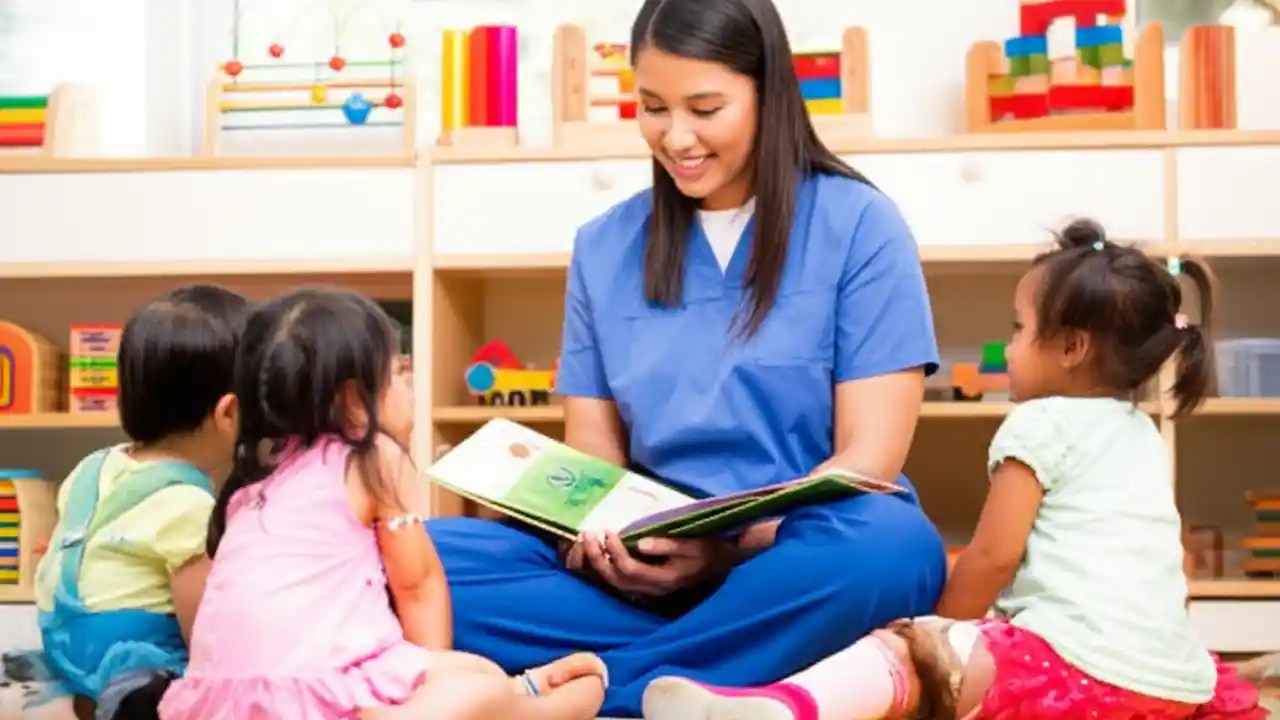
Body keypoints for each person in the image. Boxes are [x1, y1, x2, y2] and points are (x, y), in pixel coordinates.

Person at [424, 0, 946, 715]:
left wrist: (727, 552)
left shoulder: (861, 225)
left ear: (768, 90)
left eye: (705, 108)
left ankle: (603, 687)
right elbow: (593, 463)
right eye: (652, 106)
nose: (676, 137)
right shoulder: (604, 245)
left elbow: (869, 460)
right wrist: (607, 540)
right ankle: (721, 676)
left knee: (891, 547)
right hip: (641, 579)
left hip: (789, 561)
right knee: (422, 558)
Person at [641, 219, 1269, 719]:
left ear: (1072, 349)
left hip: (1079, 679)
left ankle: (778, 708)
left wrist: (937, 629)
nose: (1012, 349)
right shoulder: (1138, 434)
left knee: (901, 659)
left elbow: (993, 558)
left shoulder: (1041, 424)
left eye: (1019, 331)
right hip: (1169, 683)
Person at [158, 288, 607, 720]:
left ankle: (518, 691)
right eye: (398, 373)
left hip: (224, 703)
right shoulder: (371, 457)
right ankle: (546, 708)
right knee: (477, 684)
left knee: (478, 673)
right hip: (323, 690)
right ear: (355, 398)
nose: (407, 386)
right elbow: (417, 585)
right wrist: (431, 683)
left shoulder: (253, 475)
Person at [29, 285, 248, 719]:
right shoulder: (186, 504)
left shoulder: (93, 467)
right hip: (128, 655)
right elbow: (203, 627)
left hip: (62, 643)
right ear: (229, 414)